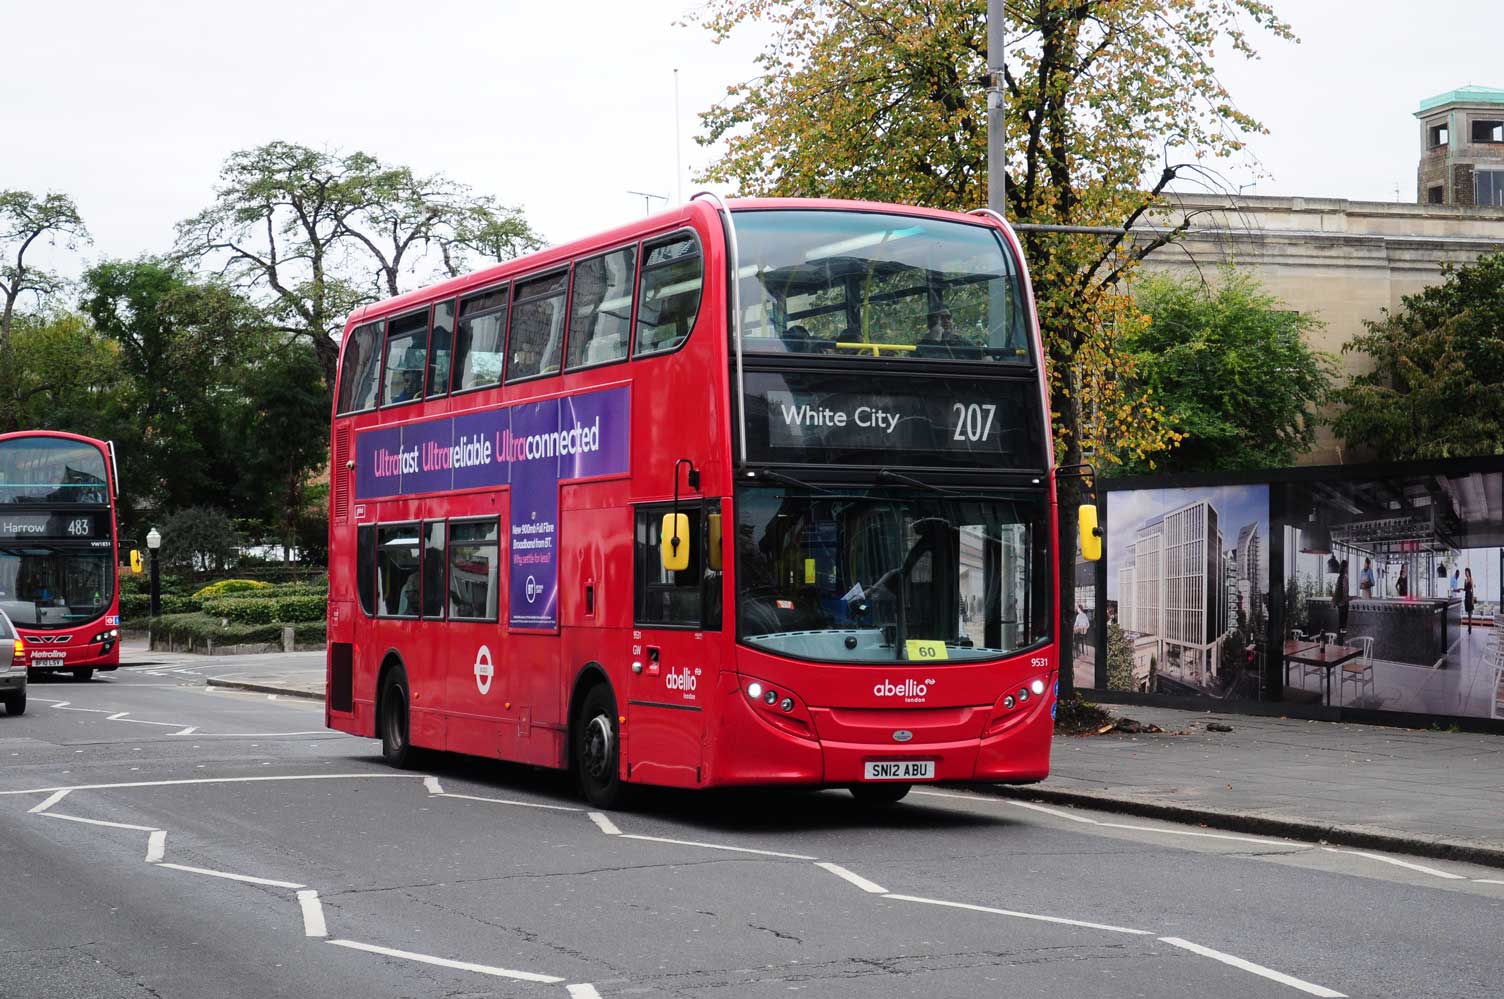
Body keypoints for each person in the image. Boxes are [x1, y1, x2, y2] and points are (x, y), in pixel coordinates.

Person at [1332, 559, 1351, 640]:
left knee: (1340, 626)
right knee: (1343, 626)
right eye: (1347, 567)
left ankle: (1339, 642)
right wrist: (1351, 598)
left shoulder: (1339, 578)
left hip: (1339, 604)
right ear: (1345, 567)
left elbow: (1337, 591)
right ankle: (1342, 642)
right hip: (1344, 604)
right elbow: (1345, 592)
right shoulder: (1345, 578)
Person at [1464, 567, 1476, 634]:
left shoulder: (1471, 579)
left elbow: (1472, 590)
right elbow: (1465, 589)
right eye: (1465, 572)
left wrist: (1472, 599)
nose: (1466, 573)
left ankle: (1470, 627)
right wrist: (1460, 589)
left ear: (1469, 572)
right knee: (1468, 613)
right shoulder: (1465, 580)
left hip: (1470, 596)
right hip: (1466, 596)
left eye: (1467, 572)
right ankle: (1469, 626)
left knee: (1470, 613)